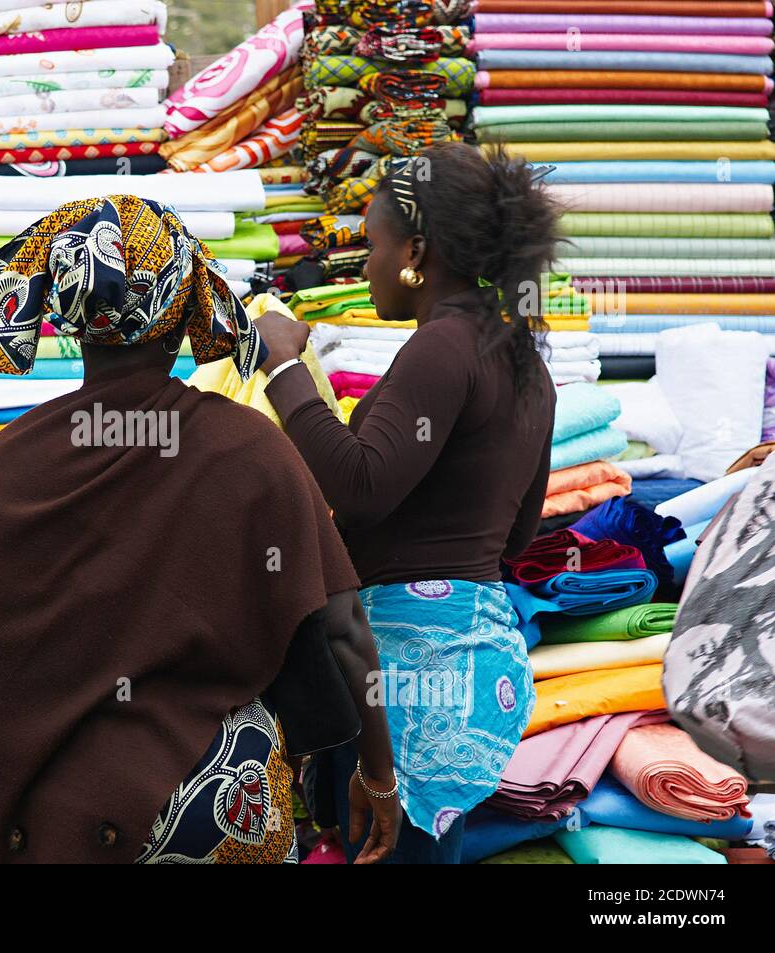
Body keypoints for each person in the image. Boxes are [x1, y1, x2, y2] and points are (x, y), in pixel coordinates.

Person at [0, 195, 401, 864]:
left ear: (71, 321)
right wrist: (377, 774)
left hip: (60, 826)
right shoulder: (248, 448)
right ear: (181, 313)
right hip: (221, 803)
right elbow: (345, 629)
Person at [254, 142, 560, 863]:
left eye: (373, 245)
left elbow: (361, 484)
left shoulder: (442, 348)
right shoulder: (525, 361)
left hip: (406, 680)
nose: (365, 265)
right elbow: (517, 535)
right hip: (474, 663)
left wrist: (285, 367)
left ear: (417, 251)